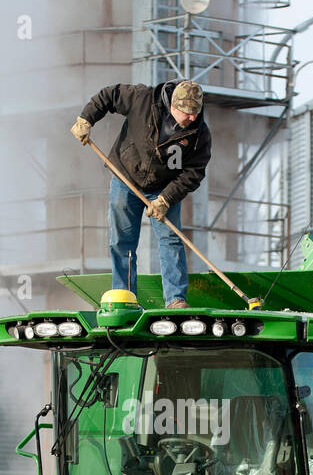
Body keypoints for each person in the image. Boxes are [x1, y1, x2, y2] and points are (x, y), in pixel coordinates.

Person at [70, 78, 212, 309]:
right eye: (188, 113)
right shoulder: (143, 100)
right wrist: (86, 119)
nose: (193, 118)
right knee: (122, 241)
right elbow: (109, 95)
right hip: (126, 177)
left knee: (170, 240)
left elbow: (194, 172)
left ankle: (175, 299)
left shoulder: (199, 134)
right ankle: (125, 297)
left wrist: (166, 199)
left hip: (164, 189)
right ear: (173, 106)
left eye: (196, 112)